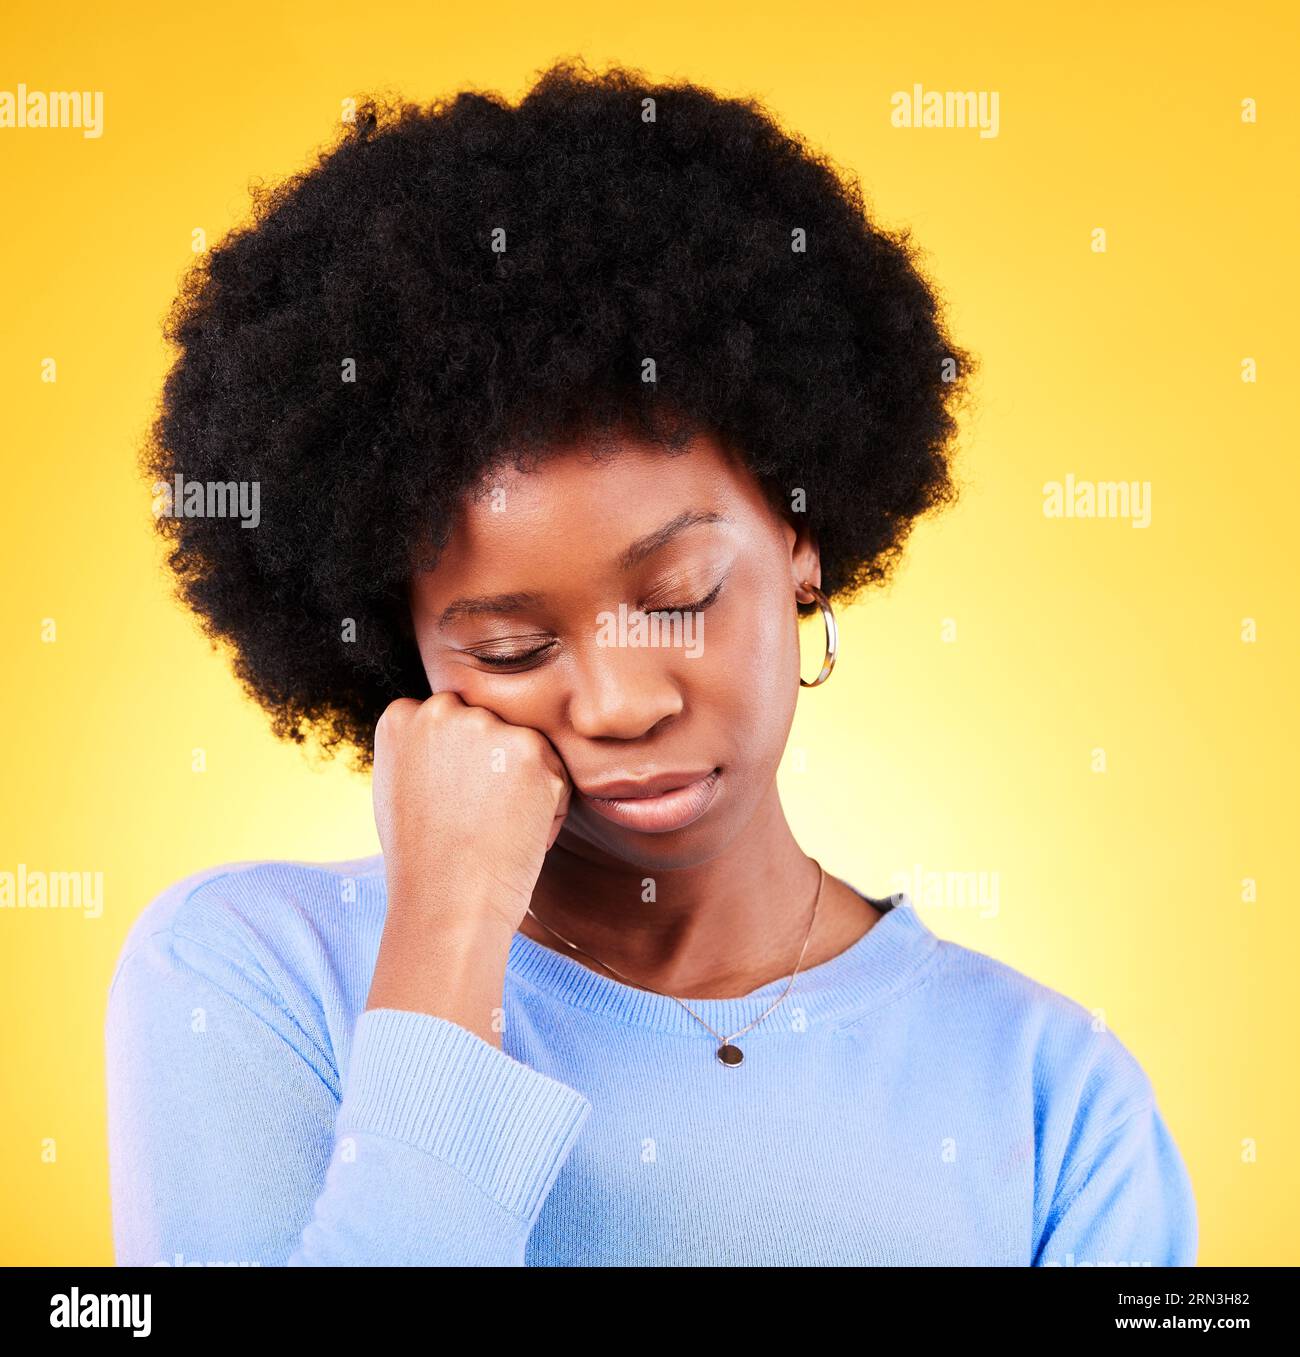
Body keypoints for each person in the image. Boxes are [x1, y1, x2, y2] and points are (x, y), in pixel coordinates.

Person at [106, 58, 1197, 1266]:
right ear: (399, 645)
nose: (621, 700)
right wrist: (449, 931)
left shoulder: (1053, 1097)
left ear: (799, 547)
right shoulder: (251, 973)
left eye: (679, 599)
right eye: (513, 647)